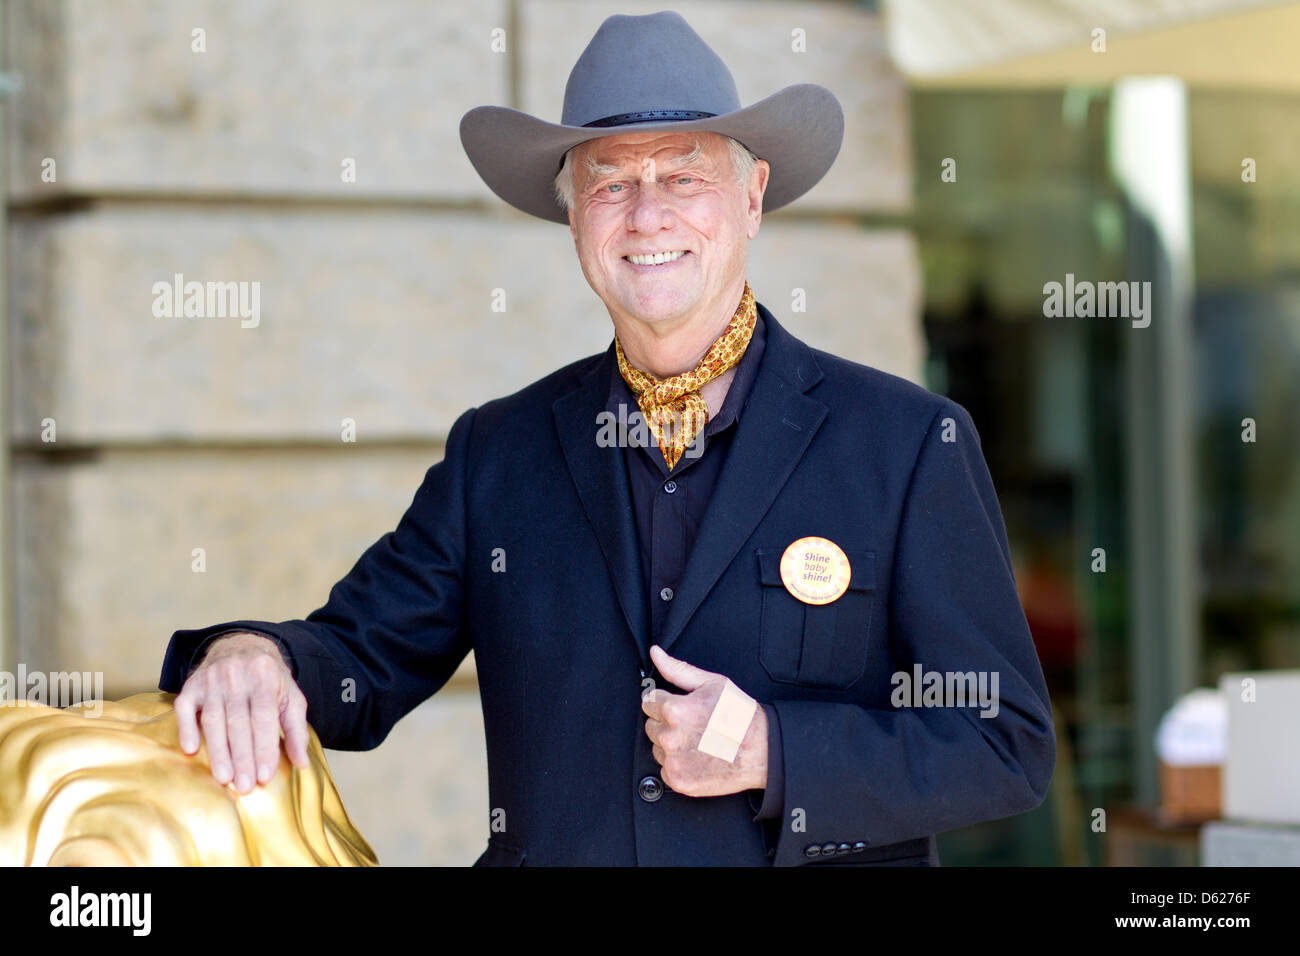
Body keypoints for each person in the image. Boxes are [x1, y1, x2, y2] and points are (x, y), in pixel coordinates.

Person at [159, 10, 1055, 866]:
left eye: (684, 175)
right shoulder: (497, 453)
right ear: (575, 219)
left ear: (751, 197)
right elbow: (358, 662)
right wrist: (254, 655)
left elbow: (1004, 744)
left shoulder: (904, 444)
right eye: (611, 181)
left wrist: (774, 753)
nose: (648, 213)